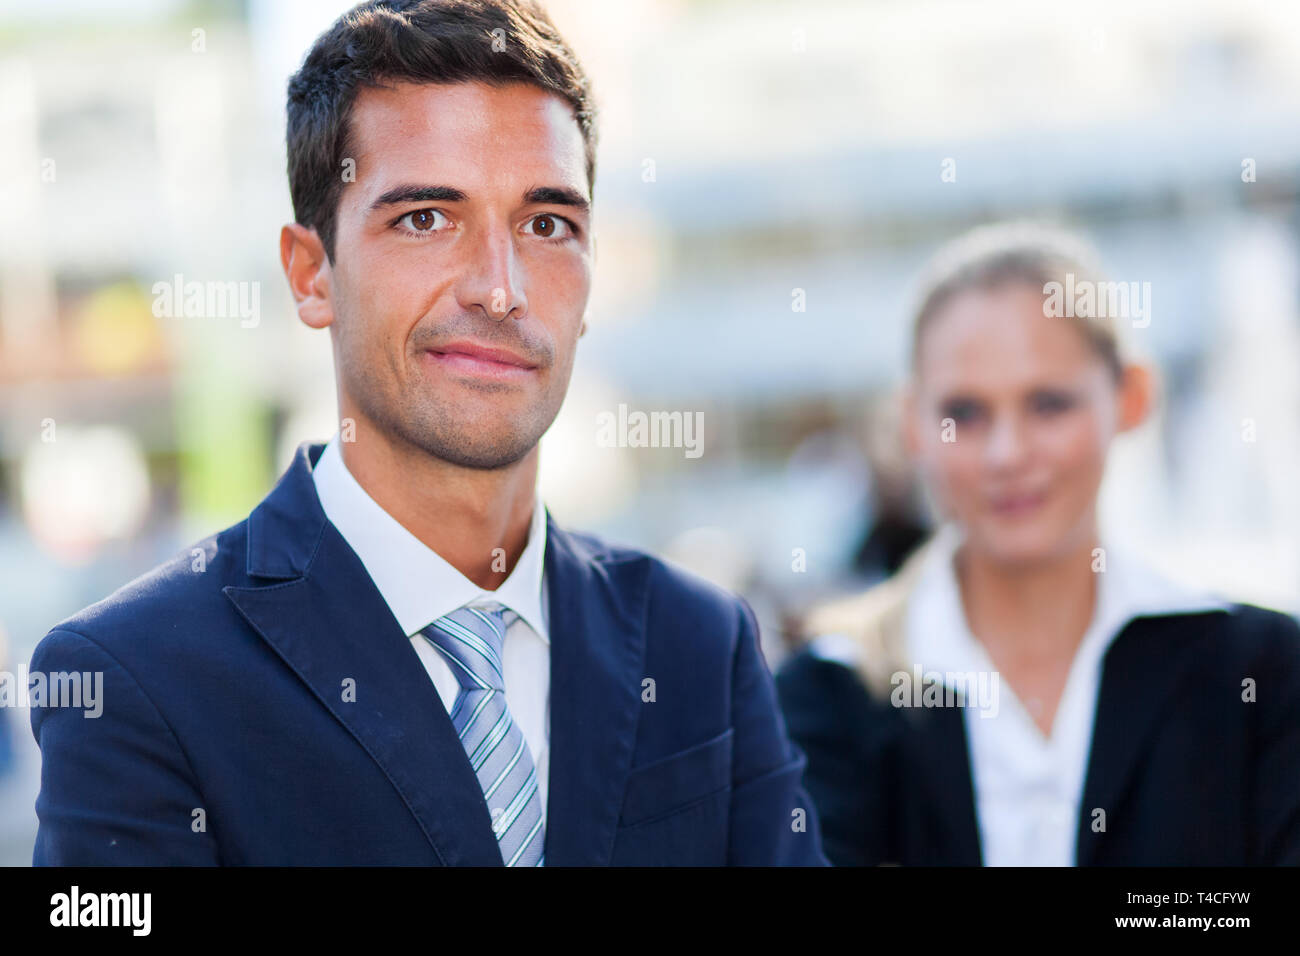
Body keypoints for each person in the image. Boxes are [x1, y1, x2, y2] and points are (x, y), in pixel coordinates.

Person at [29, 0, 826, 867]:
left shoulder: (700, 643)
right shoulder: (139, 679)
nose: (498, 287)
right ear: (310, 274)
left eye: (547, 224)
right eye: (425, 218)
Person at [776, 222, 1300, 866]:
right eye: (965, 413)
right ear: (913, 425)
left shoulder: (1263, 672)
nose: (1008, 453)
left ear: (1132, 398)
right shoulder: (828, 693)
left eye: (1049, 404)